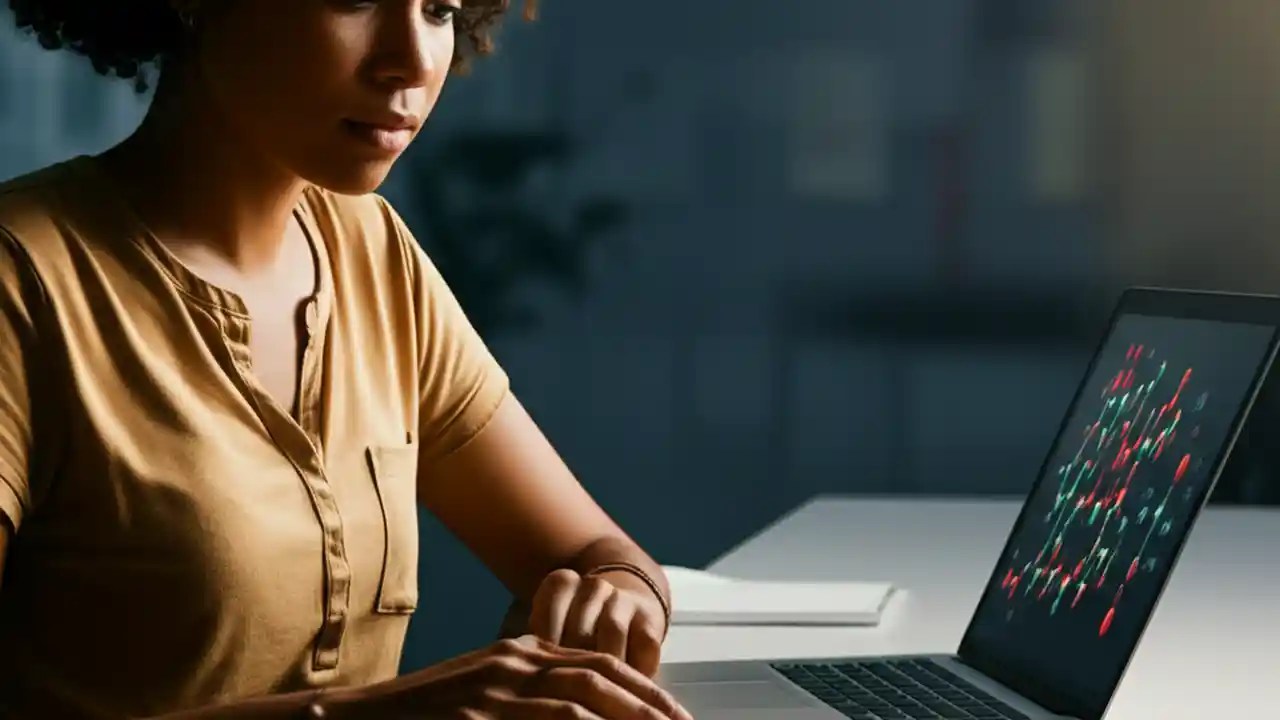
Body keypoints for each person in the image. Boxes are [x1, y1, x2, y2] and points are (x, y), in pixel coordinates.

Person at [0, 1, 691, 718]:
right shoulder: (23, 284)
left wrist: (617, 597)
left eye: (439, 10)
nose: (414, 61)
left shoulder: (372, 251)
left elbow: (595, 553)